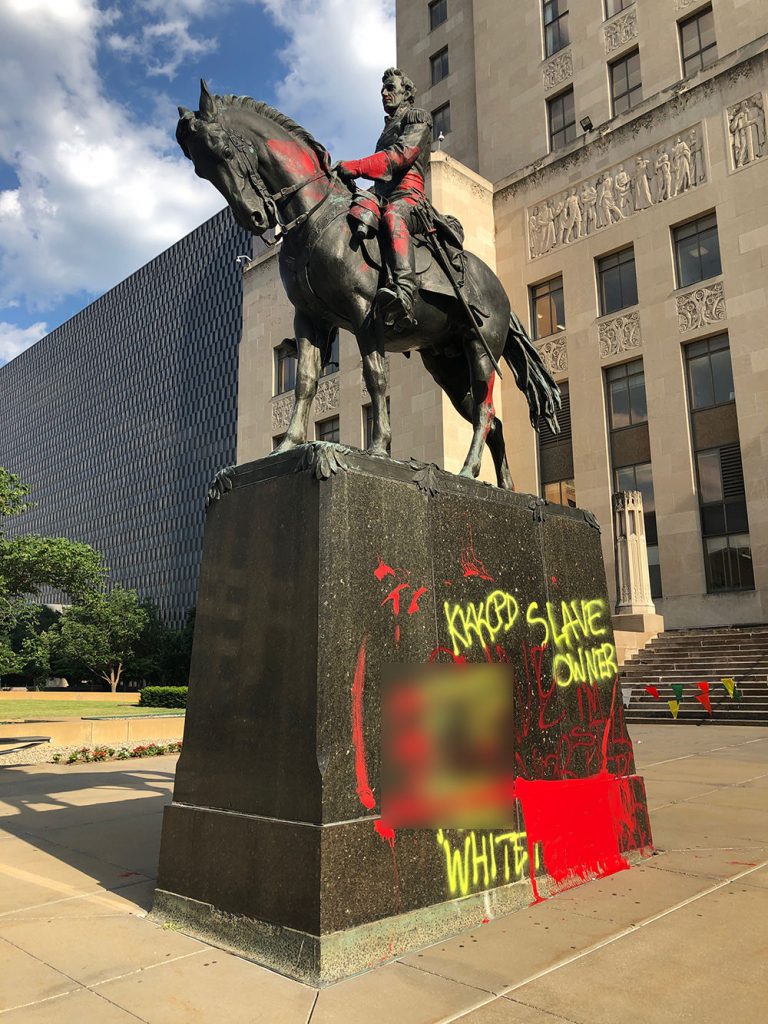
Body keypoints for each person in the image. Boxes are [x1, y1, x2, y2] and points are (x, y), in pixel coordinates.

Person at [334, 68, 432, 328]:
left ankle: (404, 292)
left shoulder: (417, 118)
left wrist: (356, 166)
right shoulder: (386, 128)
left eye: (390, 88)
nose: (385, 94)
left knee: (393, 215)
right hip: (382, 197)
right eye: (382, 90)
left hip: (409, 198)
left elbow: (399, 156)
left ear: (407, 92)